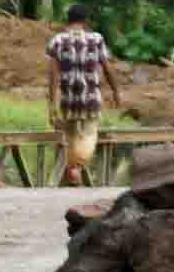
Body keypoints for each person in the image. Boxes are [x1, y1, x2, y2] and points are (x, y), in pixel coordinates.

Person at [46, 15, 121, 186]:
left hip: (68, 100)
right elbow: (107, 68)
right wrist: (116, 91)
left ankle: (70, 172)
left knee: (71, 137)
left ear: (68, 20)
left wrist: (52, 104)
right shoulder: (96, 39)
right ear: (85, 21)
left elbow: (53, 75)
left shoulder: (57, 41)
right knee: (88, 135)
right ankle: (76, 168)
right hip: (90, 99)